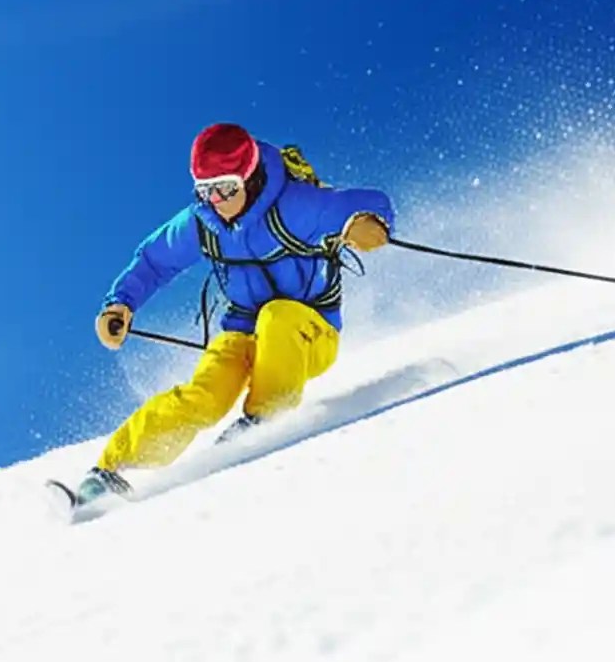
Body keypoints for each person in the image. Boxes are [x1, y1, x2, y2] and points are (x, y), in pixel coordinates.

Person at [56, 122, 396, 508]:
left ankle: (264, 422)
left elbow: (370, 202)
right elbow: (154, 261)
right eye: (206, 190)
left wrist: (368, 224)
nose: (216, 200)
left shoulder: (294, 207)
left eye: (226, 188)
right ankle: (109, 471)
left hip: (309, 333)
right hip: (244, 331)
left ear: (249, 177)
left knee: (278, 316)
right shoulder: (204, 225)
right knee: (205, 396)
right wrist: (121, 303)